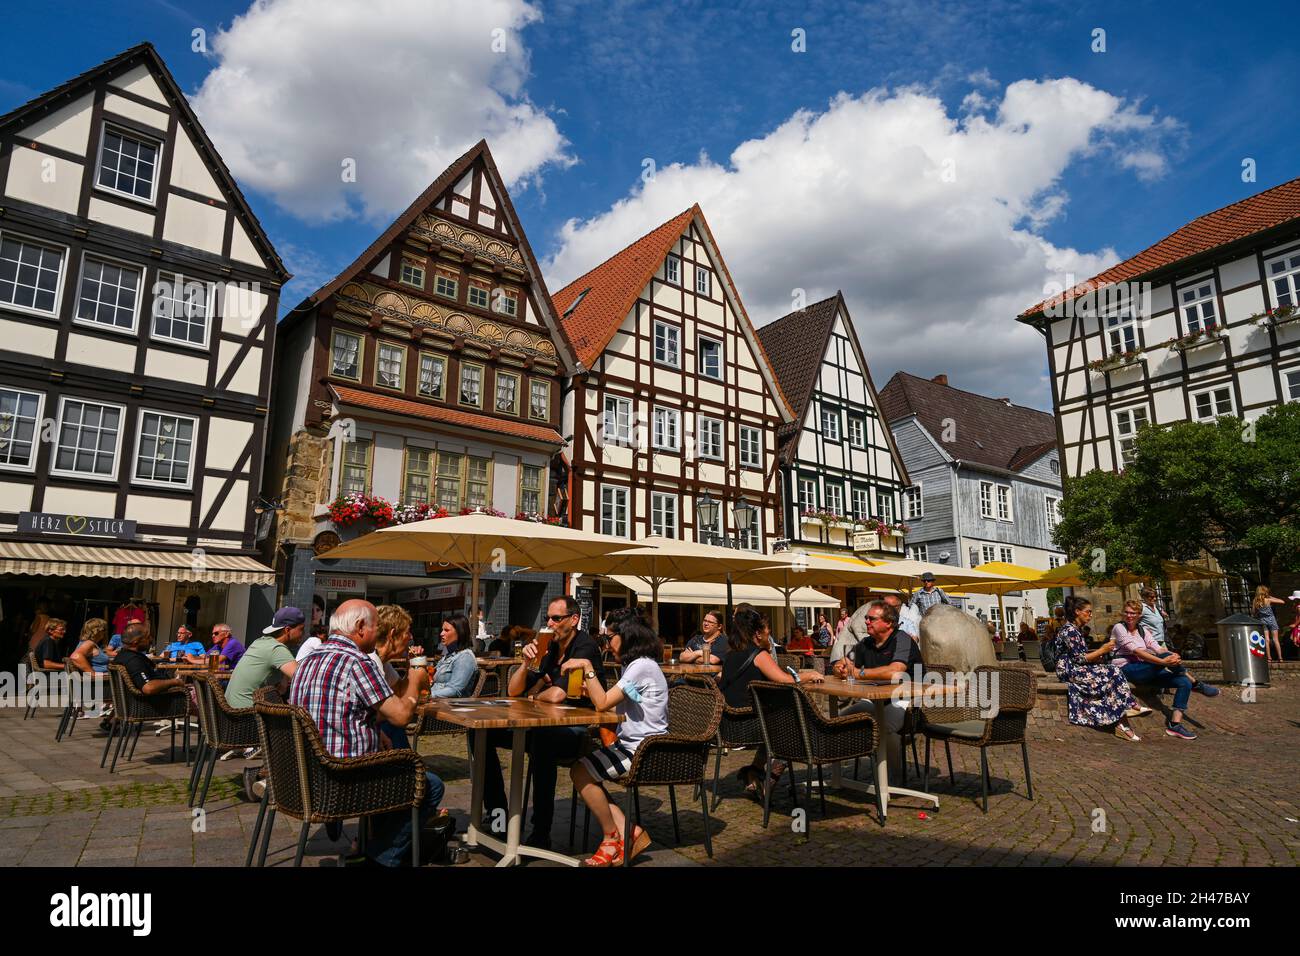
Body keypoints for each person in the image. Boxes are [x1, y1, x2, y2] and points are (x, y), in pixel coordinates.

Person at [290, 599, 442, 867]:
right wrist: (417, 679)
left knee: (396, 763)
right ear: (360, 627)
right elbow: (401, 717)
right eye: (375, 627)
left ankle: (371, 847)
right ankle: (379, 859)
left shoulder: (307, 660)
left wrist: (373, 729)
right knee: (428, 785)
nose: (378, 632)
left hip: (304, 777)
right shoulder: (358, 662)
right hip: (346, 778)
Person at [477, 595, 607, 850]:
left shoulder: (585, 647)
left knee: (543, 739)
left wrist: (535, 694)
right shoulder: (550, 647)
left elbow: (558, 695)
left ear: (574, 620)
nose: (549, 623)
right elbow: (514, 691)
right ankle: (498, 815)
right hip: (544, 724)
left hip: (580, 732)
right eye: (548, 617)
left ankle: (541, 831)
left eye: (556, 618)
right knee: (481, 733)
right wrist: (525, 664)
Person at [562, 615, 667, 866]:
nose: (607, 644)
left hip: (645, 750)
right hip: (632, 744)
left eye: (609, 638)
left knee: (581, 772)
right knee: (580, 770)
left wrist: (587, 666)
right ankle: (627, 831)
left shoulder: (642, 666)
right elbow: (611, 704)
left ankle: (612, 837)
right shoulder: (635, 665)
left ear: (627, 636)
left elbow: (602, 703)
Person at [718, 607, 823, 796]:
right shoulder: (759, 655)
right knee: (794, 730)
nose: (770, 634)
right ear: (758, 633)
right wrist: (810, 675)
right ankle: (768, 783)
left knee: (780, 724)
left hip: (728, 724)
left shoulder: (732, 654)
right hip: (749, 725)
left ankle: (753, 771)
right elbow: (786, 680)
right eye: (768, 630)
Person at [833, 600, 922, 774]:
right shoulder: (867, 642)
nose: (866, 621)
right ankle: (837, 777)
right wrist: (839, 667)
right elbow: (843, 662)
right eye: (866, 618)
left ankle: (891, 778)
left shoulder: (902, 639)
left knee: (882, 728)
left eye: (871, 619)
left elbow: (895, 671)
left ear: (888, 623)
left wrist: (859, 673)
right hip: (875, 700)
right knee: (838, 723)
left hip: (905, 700)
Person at [1111, 599, 1218, 741]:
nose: (1129, 616)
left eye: (1133, 613)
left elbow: (1158, 648)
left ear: (1139, 615)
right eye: (1127, 612)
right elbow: (1136, 651)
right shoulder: (1119, 628)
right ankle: (1197, 685)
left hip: (1147, 669)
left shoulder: (1143, 630)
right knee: (1166, 658)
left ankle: (1175, 724)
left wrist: (1172, 655)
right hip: (1126, 669)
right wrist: (1163, 661)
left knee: (1183, 681)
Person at [1054, 596, 1141, 740]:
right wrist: (1102, 650)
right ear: (1077, 612)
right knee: (1113, 671)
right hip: (1069, 671)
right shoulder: (1069, 630)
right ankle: (1128, 706)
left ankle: (1123, 721)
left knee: (1111, 672)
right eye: (1088, 612)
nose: (1091, 615)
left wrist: (1096, 657)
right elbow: (1078, 659)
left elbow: (1079, 656)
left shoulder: (1075, 629)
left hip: (1076, 668)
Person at [225, 607, 304, 710]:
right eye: (301, 629)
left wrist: (284, 679)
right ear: (287, 630)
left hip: (229, 712)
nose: (303, 633)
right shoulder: (276, 649)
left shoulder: (260, 642)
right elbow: (303, 678)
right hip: (248, 716)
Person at [115, 621, 187, 696]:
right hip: (157, 702)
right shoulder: (133, 660)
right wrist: (175, 682)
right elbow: (148, 688)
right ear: (135, 642)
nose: (151, 639)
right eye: (147, 637)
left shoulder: (123, 654)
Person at [429, 613, 478, 698]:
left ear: (460, 632)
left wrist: (426, 696)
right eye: (442, 630)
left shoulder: (465, 657)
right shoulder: (449, 655)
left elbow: (454, 690)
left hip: (449, 707)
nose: (441, 633)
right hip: (434, 701)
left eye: (446, 630)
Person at [1252, 586, 1286, 663]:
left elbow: (1254, 612)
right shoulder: (1268, 600)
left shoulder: (1255, 601)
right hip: (1272, 620)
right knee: (1275, 639)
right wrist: (1271, 597)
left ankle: (1269, 658)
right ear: (1265, 592)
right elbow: (1282, 601)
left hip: (1262, 620)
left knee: (1266, 640)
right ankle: (1280, 658)